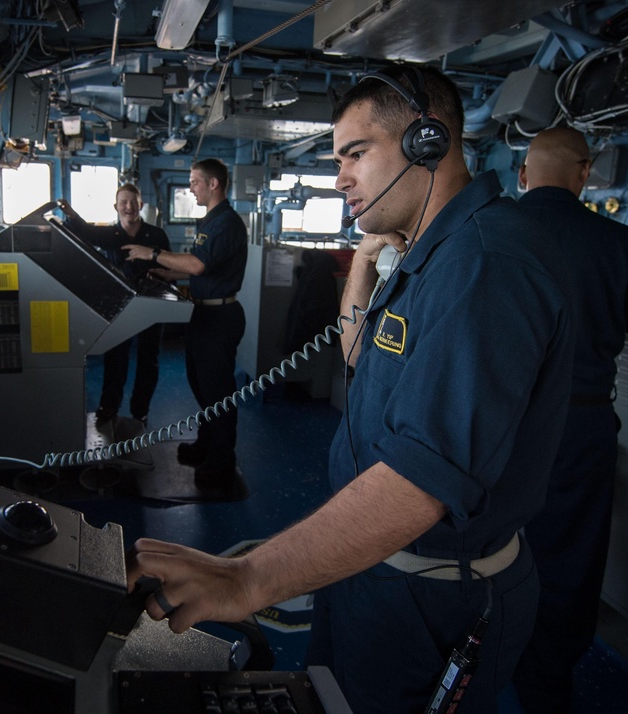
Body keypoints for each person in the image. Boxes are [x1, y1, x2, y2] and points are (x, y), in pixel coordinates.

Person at [125, 65, 574, 713]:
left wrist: (249, 577)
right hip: (368, 562)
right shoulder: (430, 252)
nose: (339, 177)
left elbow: (423, 481)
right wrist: (366, 255)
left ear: (428, 141)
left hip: (430, 594)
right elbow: (359, 350)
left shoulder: (485, 264)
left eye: (355, 154)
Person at [510, 127, 628, 713]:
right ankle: (547, 683)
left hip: (501, 424)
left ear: (523, 175)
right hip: (582, 429)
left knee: (484, 543)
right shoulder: (617, 243)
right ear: (586, 173)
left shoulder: (491, 234)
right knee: (571, 559)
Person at [124, 158, 248, 485]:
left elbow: (196, 266)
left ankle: (222, 461)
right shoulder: (211, 221)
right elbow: (196, 267)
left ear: (213, 184)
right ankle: (206, 445)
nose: (190, 188)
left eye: (195, 182)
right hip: (204, 312)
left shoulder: (226, 223)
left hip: (220, 316)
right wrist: (163, 272)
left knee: (218, 392)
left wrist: (151, 254)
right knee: (200, 385)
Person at [61, 184, 170, 427]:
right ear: (116, 207)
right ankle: (108, 407)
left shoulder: (157, 236)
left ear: (141, 205)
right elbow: (85, 231)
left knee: (148, 359)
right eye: (124, 202)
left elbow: (169, 266)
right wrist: (70, 213)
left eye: (133, 202)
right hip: (121, 307)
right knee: (115, 357)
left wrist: (157, 273)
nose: (129, 207)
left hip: (153, 304)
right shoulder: (110, 235)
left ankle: (140, 410)